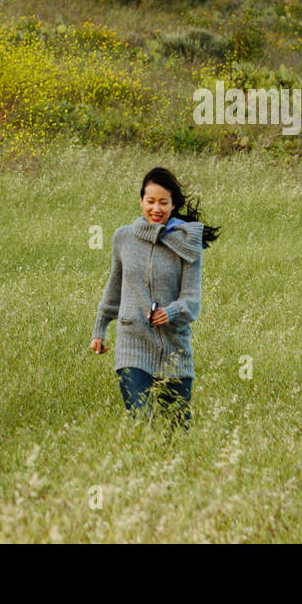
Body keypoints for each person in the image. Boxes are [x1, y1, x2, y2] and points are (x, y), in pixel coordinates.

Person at [91, 167, 219, 428]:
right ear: (141, 202)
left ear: (173, 205)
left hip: (174, 348)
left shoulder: (187, 244)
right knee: (143, 422)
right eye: (150, 201)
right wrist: (100, 329)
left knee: (176, 431)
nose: (156, 209)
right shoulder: (123, 237)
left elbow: (192, 301)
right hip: (132, 344)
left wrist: (169, 313)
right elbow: (114, 286)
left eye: (163, 202)